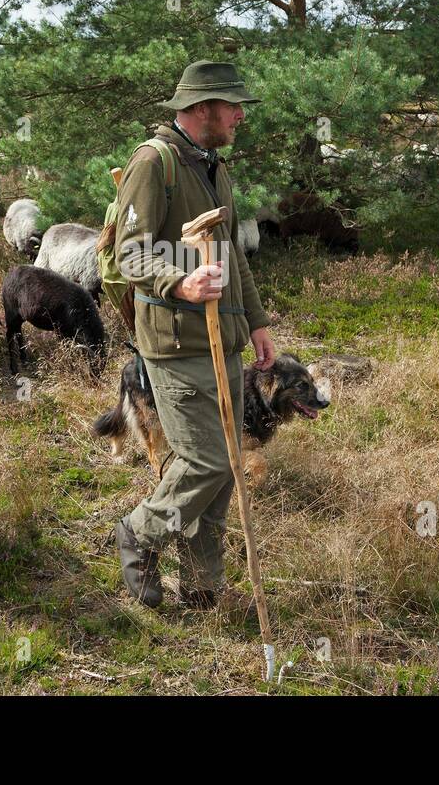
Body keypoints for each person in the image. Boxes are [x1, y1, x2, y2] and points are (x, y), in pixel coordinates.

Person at [111, 60, 276, 609]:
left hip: (223, 341)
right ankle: (140, 531)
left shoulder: (213, 167)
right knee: (204, 459)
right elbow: (127, 251)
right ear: (203, 108)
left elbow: (232, 256)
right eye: (233, 106)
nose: (239, 116)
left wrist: (256, 322)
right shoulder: (154, 164)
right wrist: (179, 281)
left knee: (225, 466)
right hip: (175, 343)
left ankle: (203, 587)